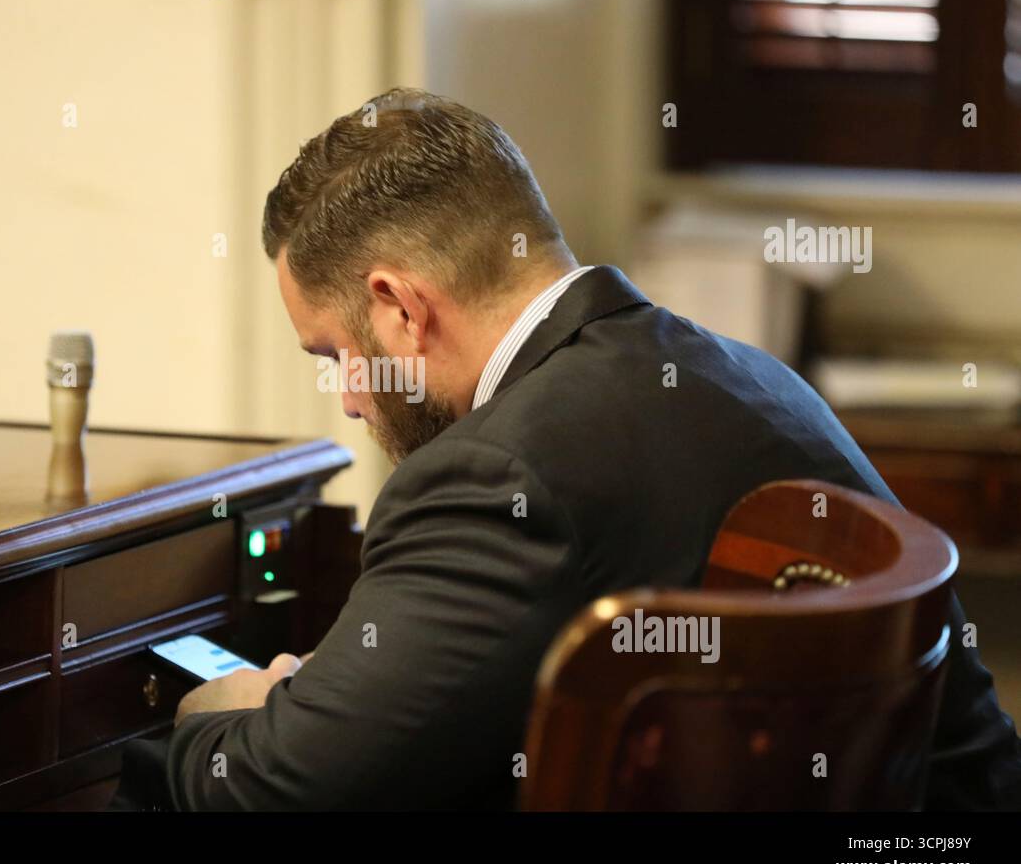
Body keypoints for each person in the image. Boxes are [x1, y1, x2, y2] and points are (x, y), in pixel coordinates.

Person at [155, 88, 1021, 810]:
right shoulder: (752, 377)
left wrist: (219, 714)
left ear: (400, 307)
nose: (347, 396)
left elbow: (287, 789)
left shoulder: (497, 474)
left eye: (334, 355)